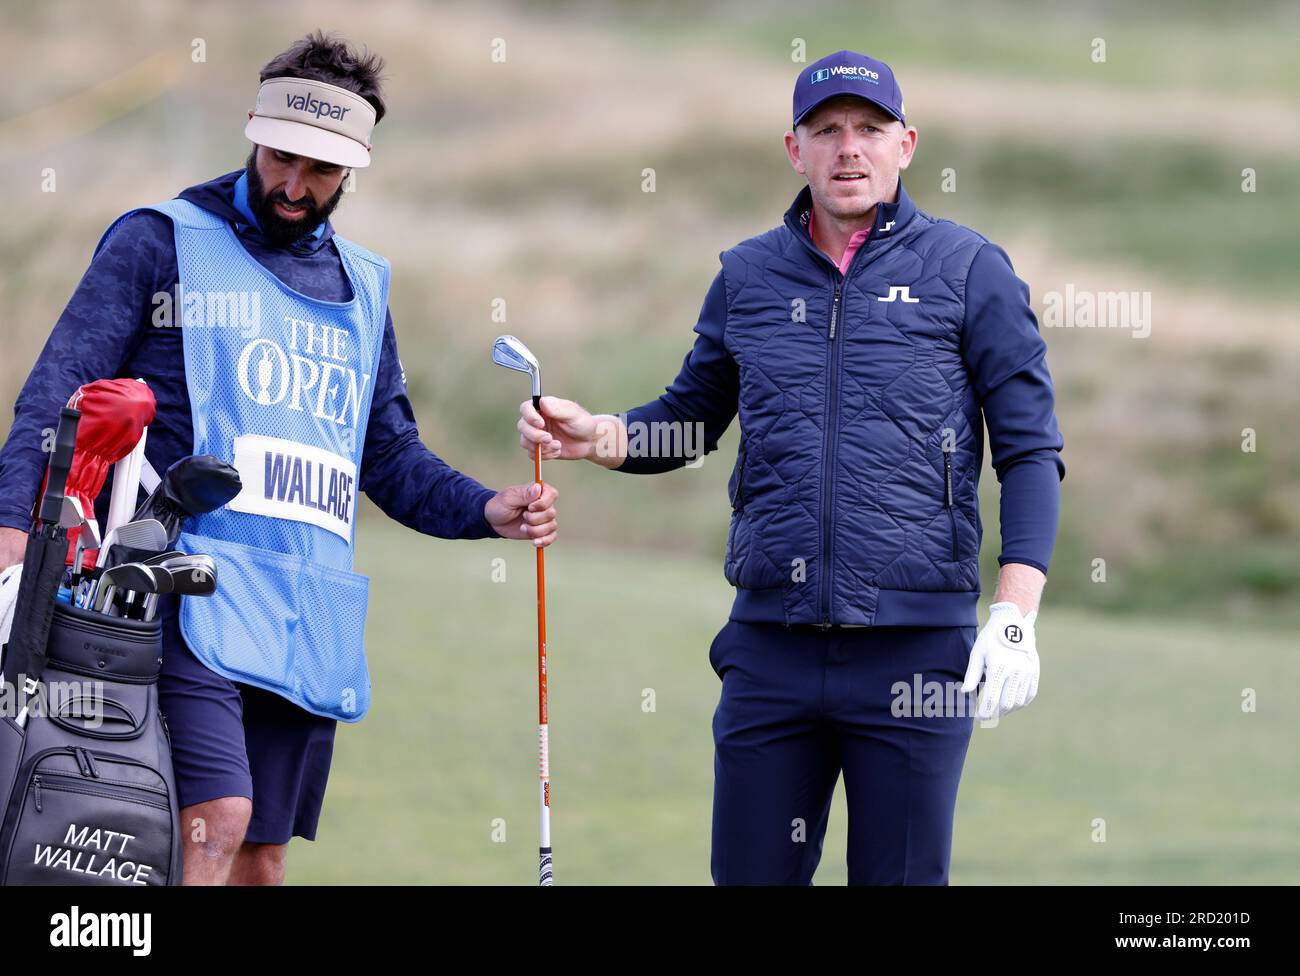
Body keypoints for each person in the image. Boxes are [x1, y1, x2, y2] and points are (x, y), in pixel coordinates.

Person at [0, 31, 558, 885]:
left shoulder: (365, 288)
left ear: (354, 168)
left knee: (260, 858)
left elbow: (390, 456)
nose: (294, 187)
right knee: (212, 824)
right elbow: (57, 390)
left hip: (304, 608)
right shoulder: (159, 241)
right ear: (253, 133)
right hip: (181, 589)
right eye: (280, 158)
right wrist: (12, 526)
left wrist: (486, 509)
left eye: (321, 172)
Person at [517, 51, 1064, 885]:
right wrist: (599, 436)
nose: (849, 149)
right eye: (827, 130)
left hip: (916, 655)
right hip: (770, 648)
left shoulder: (969, 271)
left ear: (906, 144)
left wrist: (1015, 613)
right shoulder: (748, 276)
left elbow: (1031, 452)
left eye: (870, 130)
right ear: (794, 148)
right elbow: (691, 422)